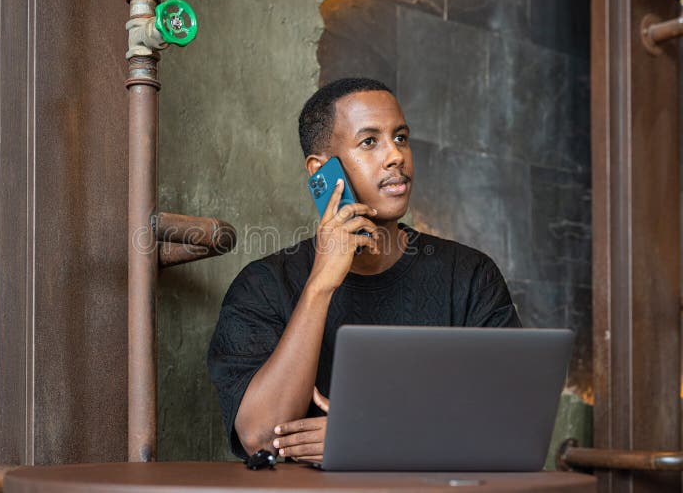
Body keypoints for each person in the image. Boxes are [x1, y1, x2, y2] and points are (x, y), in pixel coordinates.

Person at [207, 77, 521, 463]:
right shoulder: (263, 286)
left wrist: (373, 435)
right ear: (322, 171)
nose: (396, 156)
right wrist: (321, 285)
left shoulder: (470, 276)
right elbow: (260, 435)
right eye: (370, 142)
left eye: (401, 138)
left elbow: (512, 423)